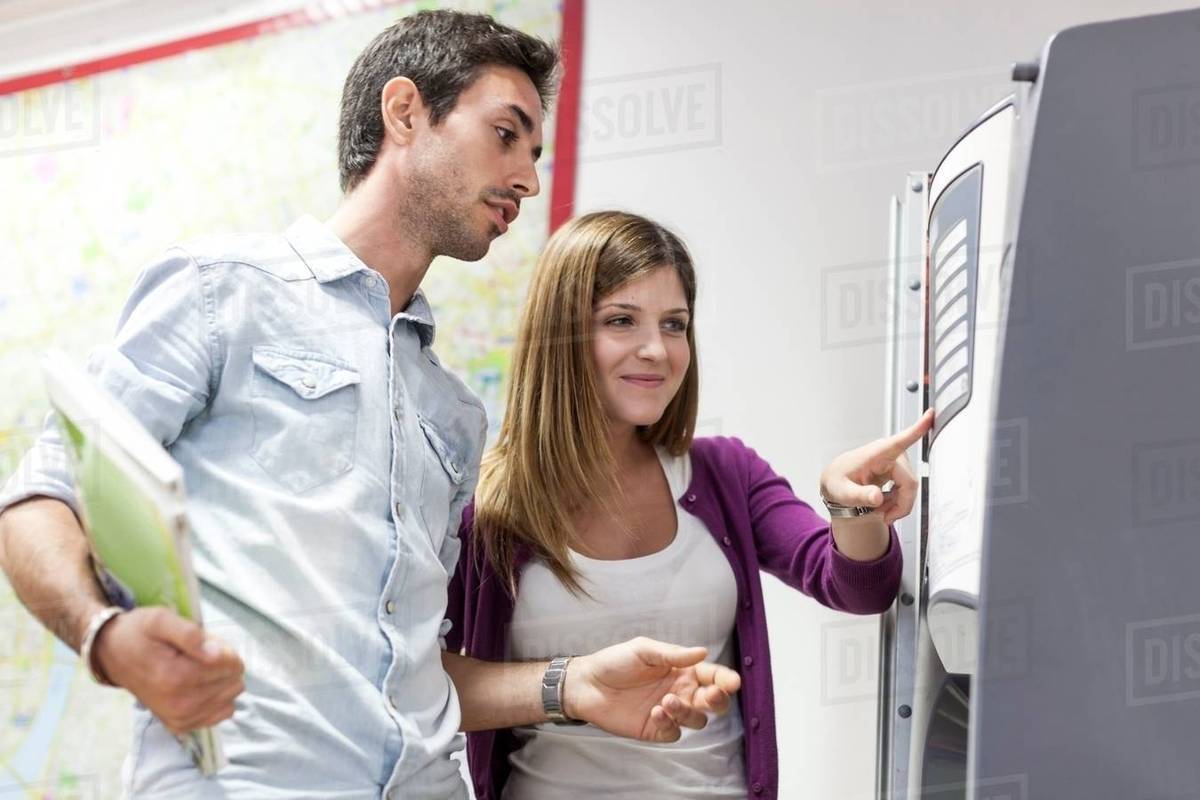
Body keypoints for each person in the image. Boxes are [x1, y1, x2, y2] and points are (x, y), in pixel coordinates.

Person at [0, 15, 737, 799]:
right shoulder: (222, 294)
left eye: (534, 154)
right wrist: (104, 635)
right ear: (405, 112)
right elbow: (42, 499)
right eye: (505, 134)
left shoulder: (452, 412)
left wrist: (572, 684)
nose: (525, 177)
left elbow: (416, 670)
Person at [446, 210, 933, 800]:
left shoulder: (726, 473)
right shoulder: (486, 511)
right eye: (622, 321)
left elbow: (857, 587)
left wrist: (848, 506)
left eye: (674, 324)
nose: (656, 349)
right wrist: (566, 686)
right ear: (562, 333)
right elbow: (420, 684)